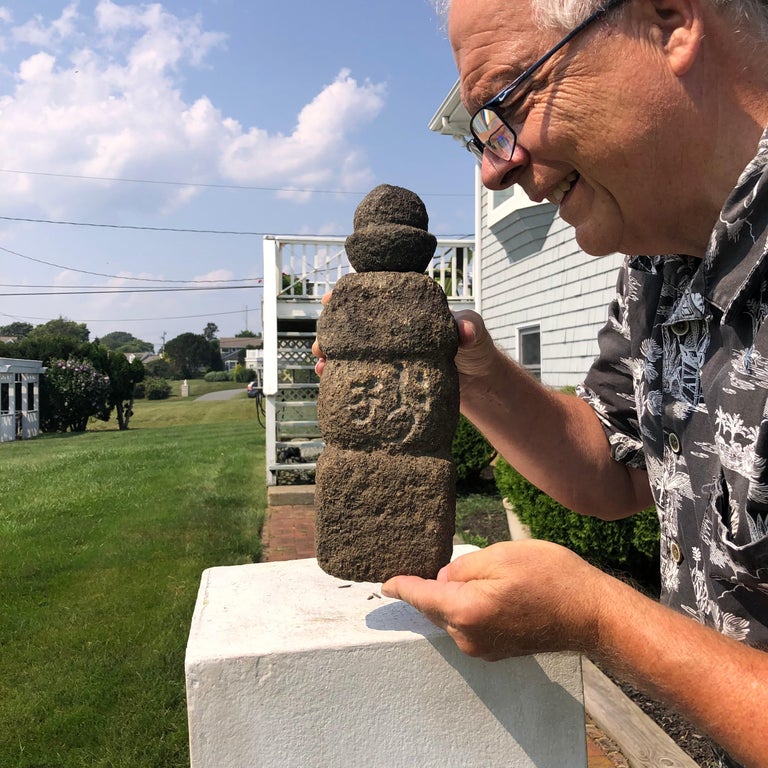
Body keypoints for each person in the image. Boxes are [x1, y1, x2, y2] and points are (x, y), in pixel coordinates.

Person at [315, 0, 768, 764]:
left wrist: (598, 620)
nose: (494, 167)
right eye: (481, 135)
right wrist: (470, 373)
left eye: (508, 102)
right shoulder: (661, 262)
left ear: (668, 22)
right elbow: (619, 468)